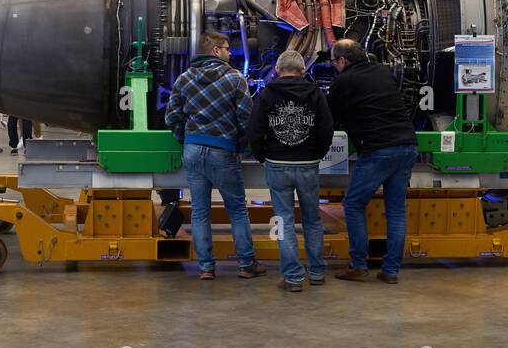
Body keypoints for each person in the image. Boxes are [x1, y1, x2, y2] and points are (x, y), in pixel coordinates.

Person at [165, 30, 265, 281]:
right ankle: (245, 264)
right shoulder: (234, 79)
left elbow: (172, 117)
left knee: (200, 212)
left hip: (193, 150)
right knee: (237, 211)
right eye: (227, 49)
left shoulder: (184, 79)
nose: (231, 53)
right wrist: (242, 147)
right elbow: (246, 119)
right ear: (215, 51)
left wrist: (185, 139)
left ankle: (206, 268)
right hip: (223, 151)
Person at [326, 38, 418, 285]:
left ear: (343, 60)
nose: (334, 66)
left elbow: (329, 118)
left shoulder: (342, 81)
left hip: (379, 149)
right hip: (408, 145)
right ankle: (390, 271)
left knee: (354, 204)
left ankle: (358, 265)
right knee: (396, 211)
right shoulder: (382, 71)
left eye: (334, 61)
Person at [247, 50, 334, 292]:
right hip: (307, 164)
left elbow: (254, 130)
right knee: (313, 220)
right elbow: (327, 128)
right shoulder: (316, 93)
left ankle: (293, 277)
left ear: (277, 70)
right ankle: (317, 273)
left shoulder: (266, 94)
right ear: (303, 71)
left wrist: (261, 156)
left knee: (284, 222)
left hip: (277, 163)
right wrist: (318, 153)